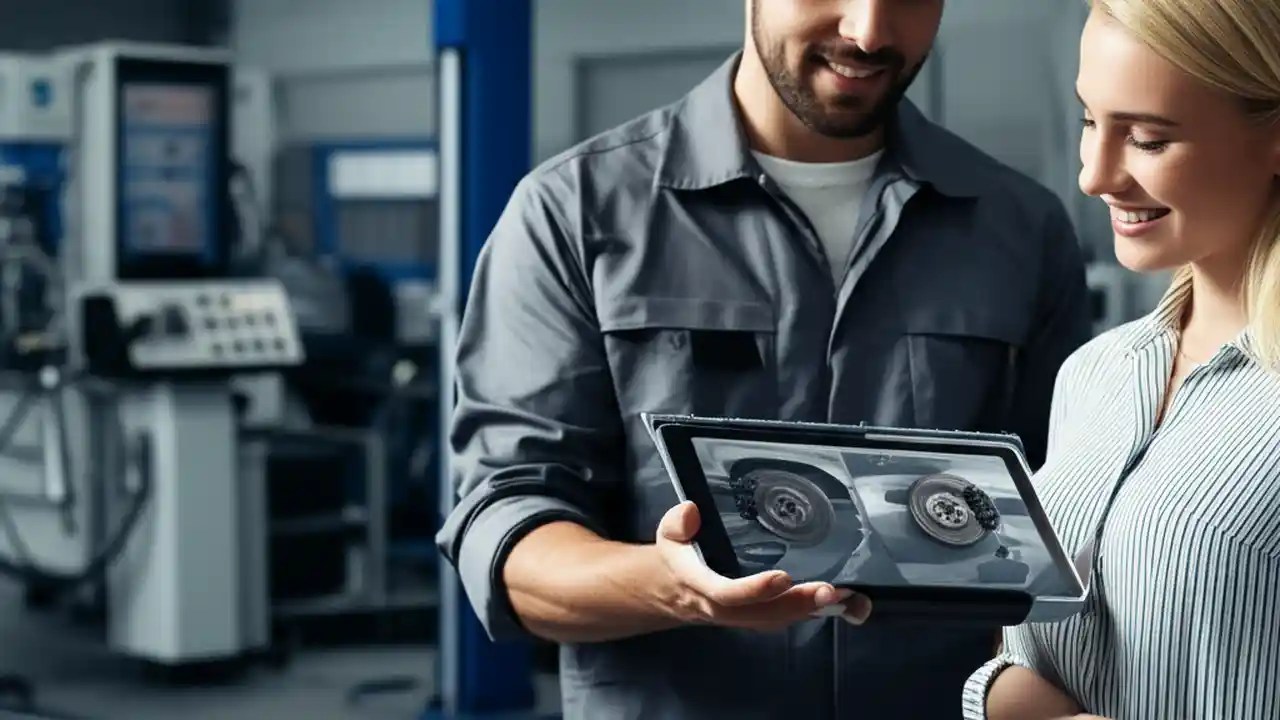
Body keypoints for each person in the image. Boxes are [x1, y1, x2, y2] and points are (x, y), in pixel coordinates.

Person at [436, 0, 1091, 717]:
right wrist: (676, 584)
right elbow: (508, 533)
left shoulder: (1021, 229)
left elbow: (1062, 529)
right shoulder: (574, 213)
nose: (870, 31)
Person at [962, 2, 1280, 719]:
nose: (1094, 175)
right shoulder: (1093, 374)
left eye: (1146, 138)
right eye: (1088, 122)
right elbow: (1023, 655)